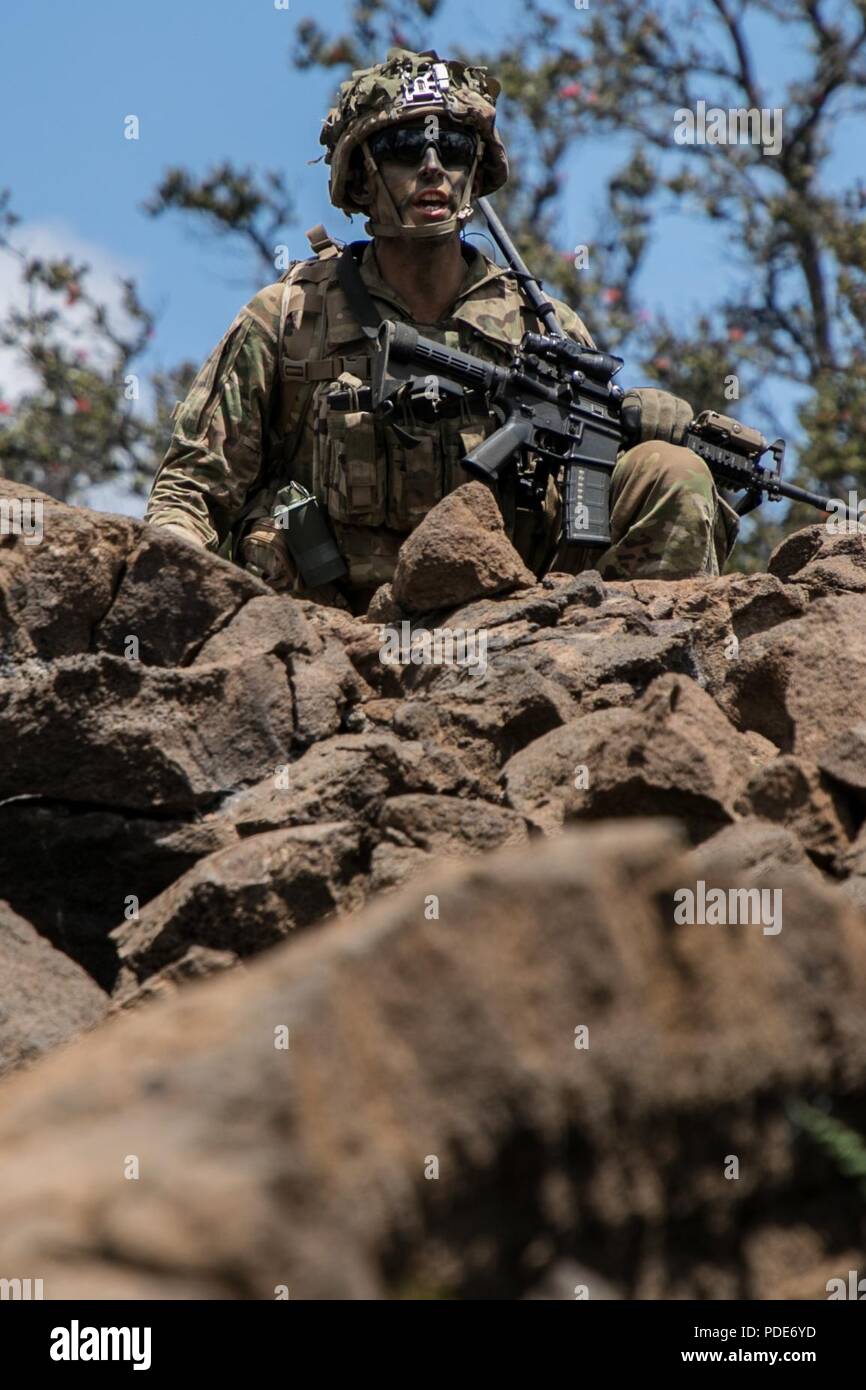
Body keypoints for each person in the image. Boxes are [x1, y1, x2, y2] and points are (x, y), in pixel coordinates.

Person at [145, 47, 739, 613]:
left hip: (518, 620)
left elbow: (591, 476)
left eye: (452, 149)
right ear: (361, 177)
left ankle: (639, 665)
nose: (432, 167)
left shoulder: (540, 326)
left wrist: (641, 423)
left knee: (672, 469)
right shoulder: (291, 316)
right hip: (327, 630)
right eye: (406, 148)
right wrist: (161, 589)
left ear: (474, 172)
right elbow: (193, 487)